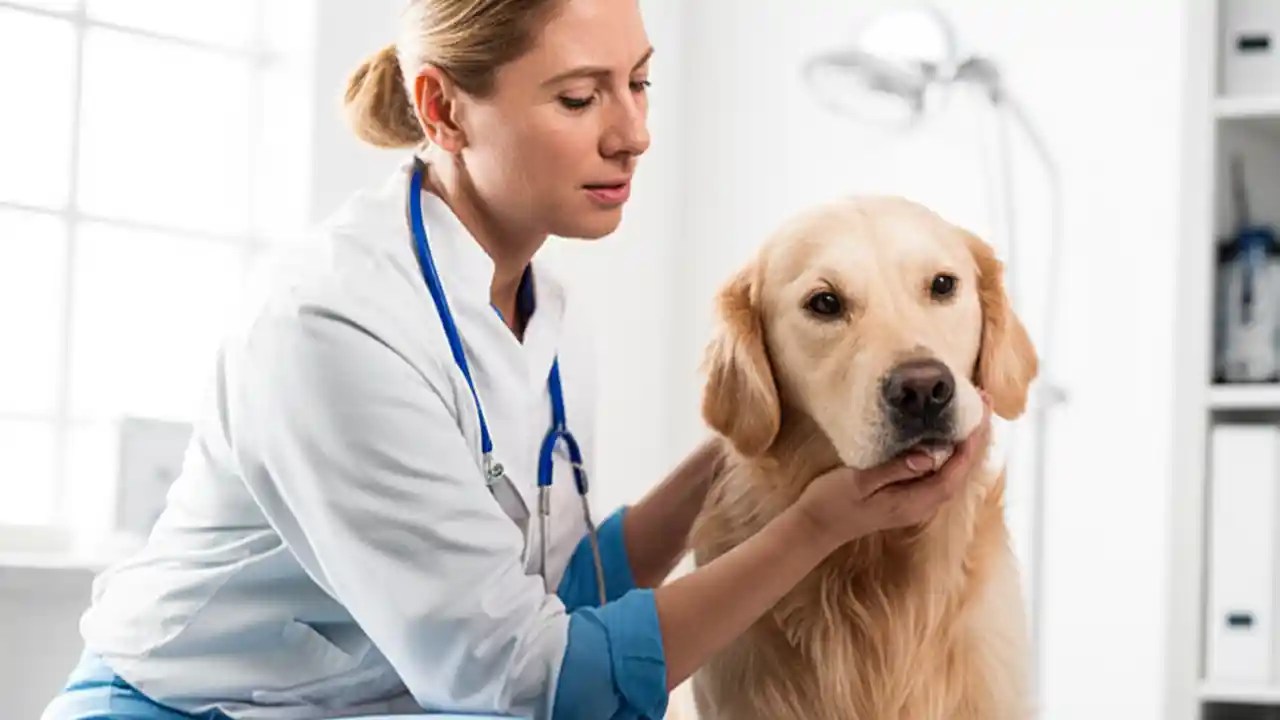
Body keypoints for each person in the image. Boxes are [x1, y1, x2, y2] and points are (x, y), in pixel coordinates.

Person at [40, 0, 992, 718]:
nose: (634, 132)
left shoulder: (546, 309)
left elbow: (560, 585)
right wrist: (813, 527)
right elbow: (522, 675)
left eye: (640, 82)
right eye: (581, 96)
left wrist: (779, 430)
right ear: (442, 110)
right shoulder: (331, 326)